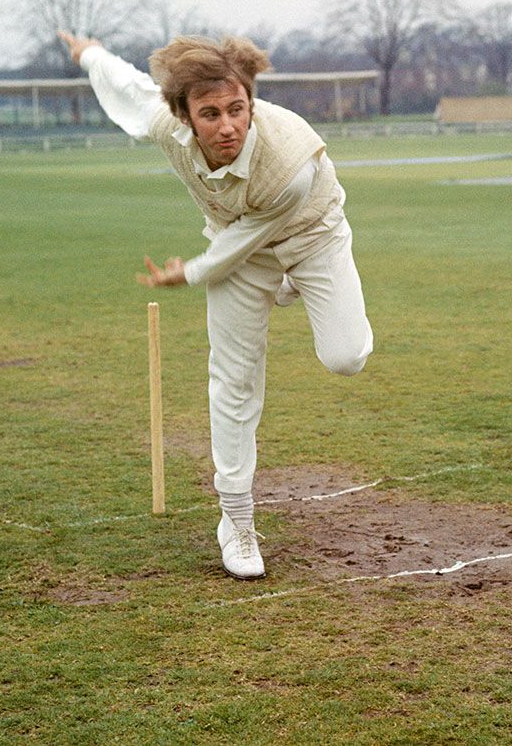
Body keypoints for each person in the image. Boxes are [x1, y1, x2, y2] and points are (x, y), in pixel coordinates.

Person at [59, 30, 373, 580]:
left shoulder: (290, 162)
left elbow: (242, 241)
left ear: (251, 102)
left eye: (237, 109)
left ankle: (295, 284)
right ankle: (238, 522)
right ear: (183, 116)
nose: (228, 126)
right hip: (241, 251)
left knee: (346, 357)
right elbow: (128, 88)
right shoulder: (165, 124)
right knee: (233, 380)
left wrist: (194, 271)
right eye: (210, 114)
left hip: (311, 235)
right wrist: (91, 55)